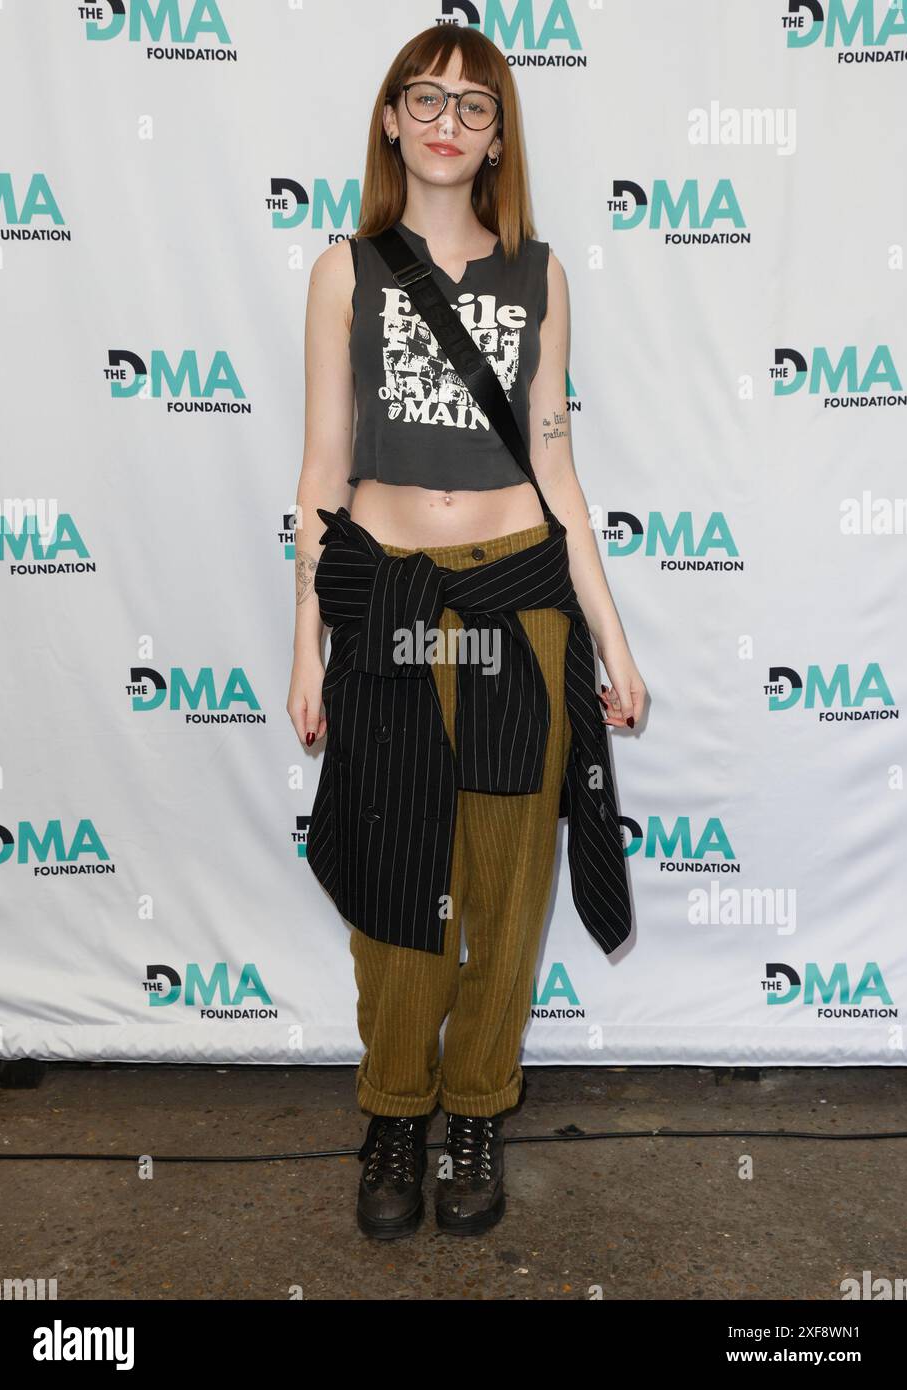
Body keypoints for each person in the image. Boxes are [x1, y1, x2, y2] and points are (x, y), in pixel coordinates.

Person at [286, 25, 646, 1241]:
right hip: (388, 599)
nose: (447, 120)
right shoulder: (346, 268)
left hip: (515, 600)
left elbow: (556, 464)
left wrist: (612, 636)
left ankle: (479, 1106)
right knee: (398, 881)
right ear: (391, 120)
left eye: (474, 106)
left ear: (498, 138)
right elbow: (322, 472)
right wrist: (305, 643)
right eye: (424, 98)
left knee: (502, 878)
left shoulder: (537, 272)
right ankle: (394, 1108)